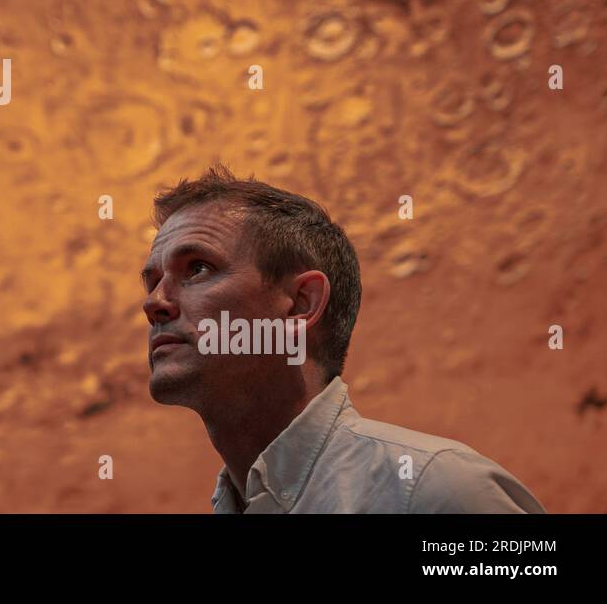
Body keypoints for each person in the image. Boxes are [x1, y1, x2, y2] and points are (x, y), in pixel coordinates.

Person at [142, 164, 545, 513]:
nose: (154, 303)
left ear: (301, 305)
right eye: (153, 281)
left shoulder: (437, 491)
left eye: (197, 269)